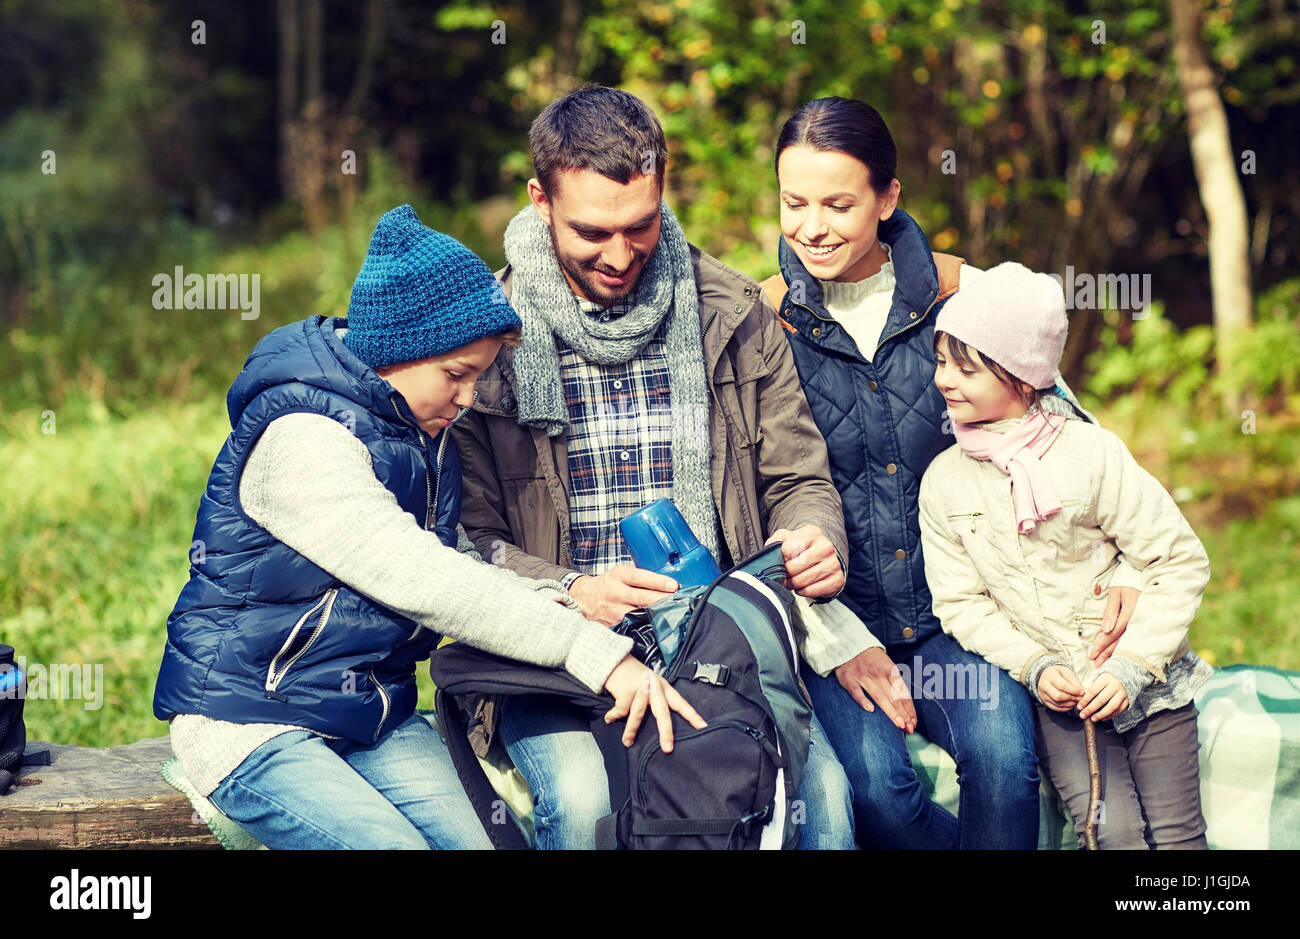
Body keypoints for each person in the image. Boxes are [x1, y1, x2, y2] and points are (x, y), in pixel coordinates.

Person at [153, 204, 702, 850]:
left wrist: (566, 600)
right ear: (398, 349)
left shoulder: (414, 434)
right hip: (251, 721)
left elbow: (463, 568)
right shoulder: (304, 440)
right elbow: (426, 579)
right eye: (457, 375)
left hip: (366, 715)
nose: (468, 399)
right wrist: (593, 654)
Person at [455, 85, 859, 849]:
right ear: (540, 201)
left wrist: (815, 536)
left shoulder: (732, 315)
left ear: (663, 188)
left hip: (717, 640)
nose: (618, 254)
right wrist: (575, 592)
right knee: (582, 805)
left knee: (825, 801)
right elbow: (466, 541)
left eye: (639, 227)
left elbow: (800, 478)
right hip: (555, 658)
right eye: (591, 232)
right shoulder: (484, 344)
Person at [758, 97, 1143, 849]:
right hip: (833, 626)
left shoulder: (964, 292)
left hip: (963, 615)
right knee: (877, 792)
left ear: (889, 197)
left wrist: (1128, 559)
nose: (811, 226)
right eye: (792, 202)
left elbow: (1066, 432)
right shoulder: (762, 320)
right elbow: (754, 500)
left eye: (838, 203)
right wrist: (838, 638)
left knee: (1004, 760)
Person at [918, 261, 1212, 849]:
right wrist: (1031, 665)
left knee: (1179, 839)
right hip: (1064, 701)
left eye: (967, 368)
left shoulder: (1091, 455)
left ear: (1024, 378)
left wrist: (1131, 665)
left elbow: (1177, 559)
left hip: (1150, 683)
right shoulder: (943, 483)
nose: (946, 379)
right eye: (942, 360)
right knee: (1113, 833)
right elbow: (960, 604)